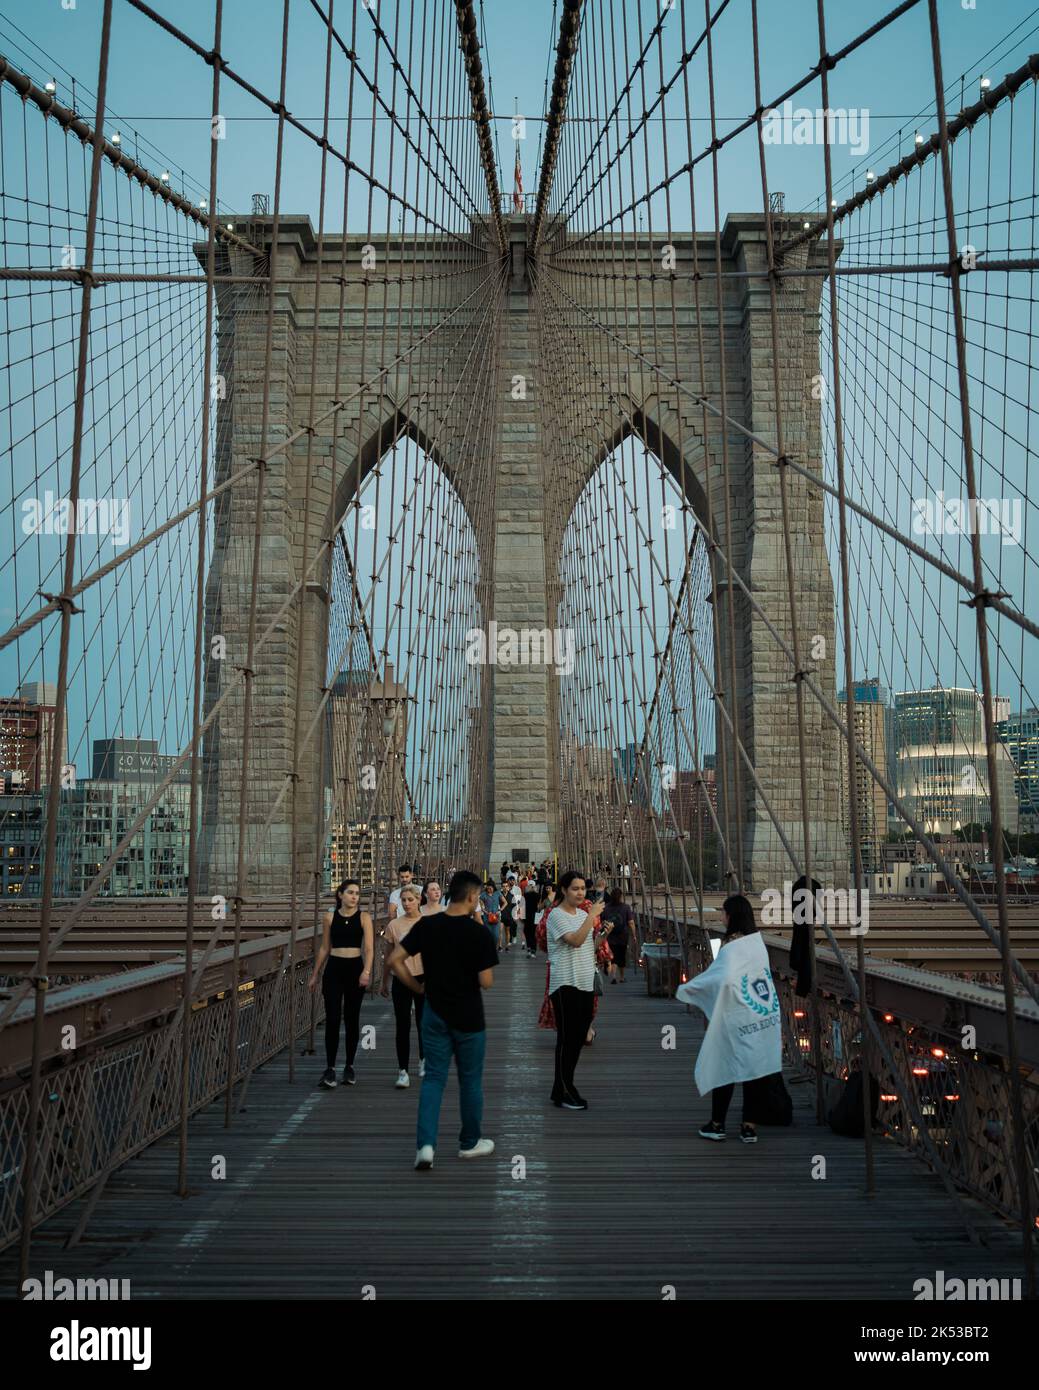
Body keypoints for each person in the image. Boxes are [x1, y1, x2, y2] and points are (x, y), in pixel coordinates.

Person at [386, 869, 498, 1169]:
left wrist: (416, 986)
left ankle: (425, 1146)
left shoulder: (428, 926)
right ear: (474, 897)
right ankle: (470, 1142)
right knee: (470, 1081)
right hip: (470, 1017)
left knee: (434, 1079)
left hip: (434, 1011)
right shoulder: (479, 934)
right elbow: (486, 982)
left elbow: (394, 960)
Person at [677, 894, 779, 1144]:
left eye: (723, 912)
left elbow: (720, 977)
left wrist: (689, 989)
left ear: (731, 916)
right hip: (761, 1013)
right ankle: (748, 1127)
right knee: (754, 1068)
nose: (721, 917)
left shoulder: (731, 946)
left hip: (735, 1016)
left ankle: (717, 1124)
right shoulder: (757, 944)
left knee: (725, 1066)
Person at [309, 879, 374, 1088]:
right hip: (334, 969)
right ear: (340, 895)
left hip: (355, 968)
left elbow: (370, 949)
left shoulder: (364, 917)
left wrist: (366, 972)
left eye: (357, 893)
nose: (355, 896)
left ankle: (349, 1065)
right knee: (333, 1018)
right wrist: (315, 974)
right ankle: (330, 1068)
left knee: (352, 1018)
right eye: (350, 892)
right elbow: (324, 948)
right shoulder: (329, 917)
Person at [546, 870, 602, 1110]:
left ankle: (562, 1088)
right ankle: (565, 1089)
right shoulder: (555, 916)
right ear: (563, 890)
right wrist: (591, 917)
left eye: (583, 888)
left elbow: (588, 945)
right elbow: (575, 940)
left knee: (578, 1039)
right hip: (565, 983)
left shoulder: (582, 914)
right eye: (575, 888)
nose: (581, 893)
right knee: (566, 1039)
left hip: (584, 981)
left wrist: (602, 934)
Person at [380, 883, 425, 1088]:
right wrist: (383, 981)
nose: (407, 904)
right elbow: (388, 956)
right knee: (402, 1025)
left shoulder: (428, 924)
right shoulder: (394, 926)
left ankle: (424, 1059)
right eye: (404, 900)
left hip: (424, 978)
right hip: (401, 979)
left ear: (419, 900)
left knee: (424, 1023)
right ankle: (403, 1071)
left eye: (411, 900)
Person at [602, 887, 636, 982]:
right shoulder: (626, 907)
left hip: (609, 935)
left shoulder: (606, 907)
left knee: (612, 956)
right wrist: (634, 935)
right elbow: (631, 922)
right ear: (621, 896)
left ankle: (613, 976)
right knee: (621, 956)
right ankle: (621, 977)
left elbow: (602, 922)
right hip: (623, 935)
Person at [522, 877, 541, 957]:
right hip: (531, 916)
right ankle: (532, 948)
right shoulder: (535, 895)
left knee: (529, 932)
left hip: (531, 916)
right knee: (530, 932)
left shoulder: (529, 894)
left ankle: (531, 948)